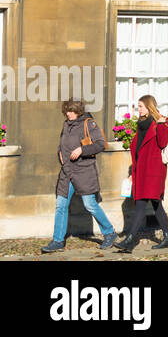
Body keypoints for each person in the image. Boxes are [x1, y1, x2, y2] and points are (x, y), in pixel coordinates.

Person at [42, 99, 117, 253]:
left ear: (78, 111)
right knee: (61, 205)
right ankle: (58, 241)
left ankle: (109, 232)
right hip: (67, 172)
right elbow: (62, 145)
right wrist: (60, 153)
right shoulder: (66, 125)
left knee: (90, 204)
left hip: (84, 172)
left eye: (71, 111)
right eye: (66, 111)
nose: (68, 114)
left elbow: (101, 144)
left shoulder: (89, 123)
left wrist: (82, 150)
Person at [114, 95, 168, 253]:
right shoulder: (141, 124)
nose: (138, 109)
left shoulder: (161, 122)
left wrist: (161, 125)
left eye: (140, 106)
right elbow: (138, 150)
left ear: (149, 106)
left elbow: (162, 143)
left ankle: (129, 241)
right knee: (156, 204)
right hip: (141, 170)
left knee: (141, 204)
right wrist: (133, 173)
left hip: (153, 171)